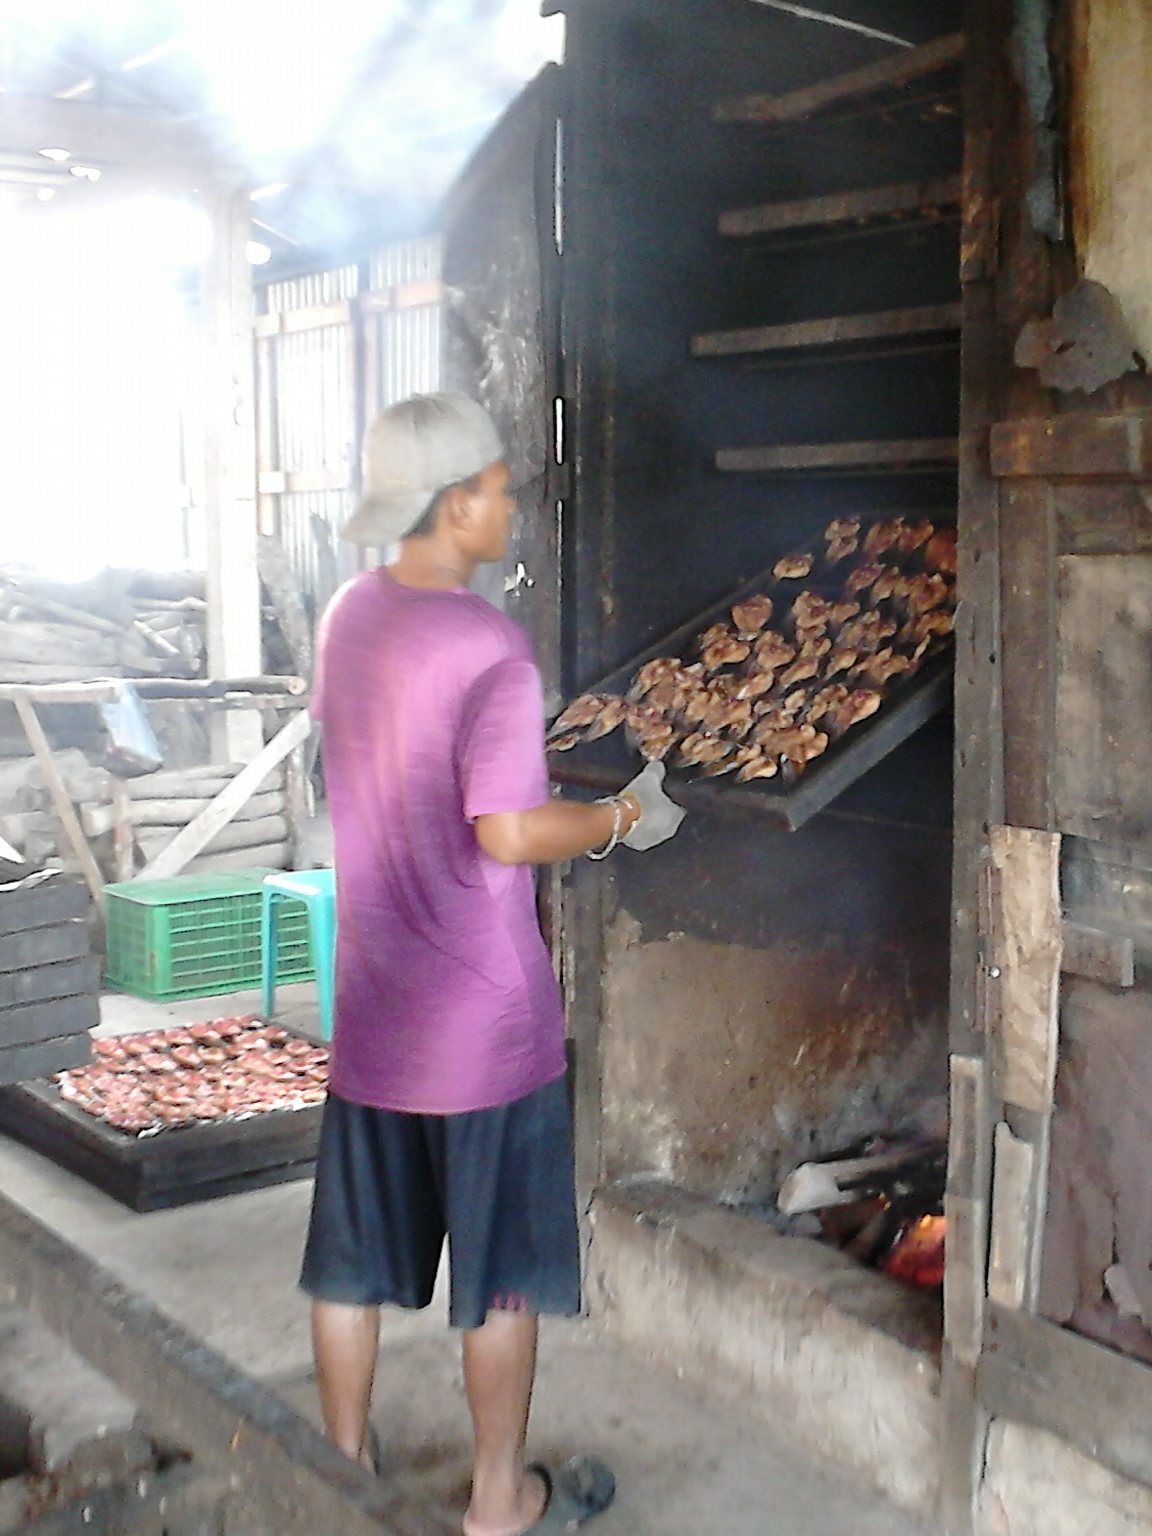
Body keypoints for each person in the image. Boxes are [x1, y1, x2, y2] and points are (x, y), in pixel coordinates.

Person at [299, 392, 685, 1536]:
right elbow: (508, 832)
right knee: (502, 1273)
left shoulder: (347, 619)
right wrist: (619, 818)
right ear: (457, 500)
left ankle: (336, 1475)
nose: (514, 500)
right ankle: (500, 1500)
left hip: (373, 1007)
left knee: (352, 1262)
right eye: (503, 486)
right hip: (483, 1027)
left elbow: (382, 767)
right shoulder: (488, 649)